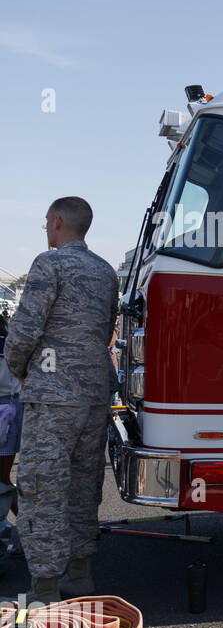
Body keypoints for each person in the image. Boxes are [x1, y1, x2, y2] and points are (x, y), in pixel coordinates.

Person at [5, 196, 119, 604]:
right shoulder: (106, 271)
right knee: (84, 485)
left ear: (56, 222)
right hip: (93, 394)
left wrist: (18, 366)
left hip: (53, 396)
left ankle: (45, 587)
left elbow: (24, 329)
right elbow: (107, 328)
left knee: (42, 489)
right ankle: (80, 574)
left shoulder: (48, 264)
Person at [0, 312, 23, 559]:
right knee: (4, 478)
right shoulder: (10, 343)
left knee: (3, 480)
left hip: (4, 413)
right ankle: (24, 530)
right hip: (10, 411)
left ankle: (21, 531)